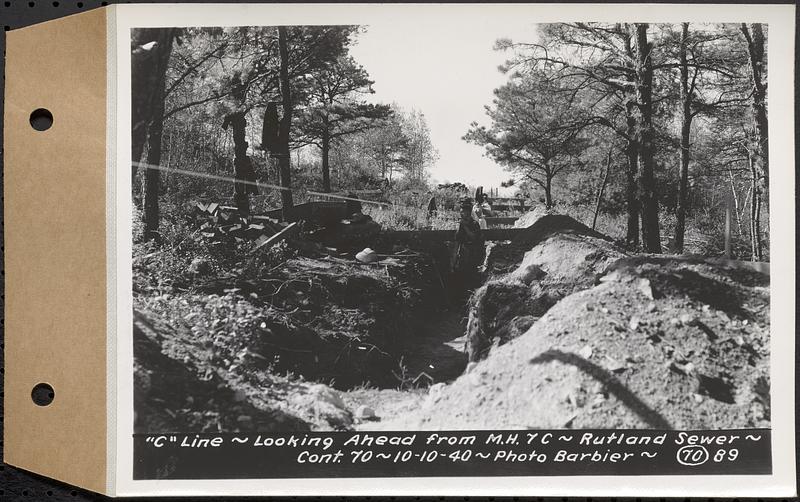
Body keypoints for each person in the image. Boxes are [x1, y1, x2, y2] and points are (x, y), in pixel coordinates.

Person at [451, 197, 486, 296]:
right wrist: (453, 260)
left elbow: (474, 237)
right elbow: (457, 241)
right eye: (460, 212)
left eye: (463, 212)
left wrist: (465, 226)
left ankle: (472, 297)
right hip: (463, 255)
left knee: (472, 276)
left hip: (473, 254)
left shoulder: (474, 224)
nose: (461, 214)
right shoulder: (461, 225)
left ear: (468, 212)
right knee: (461, 277)